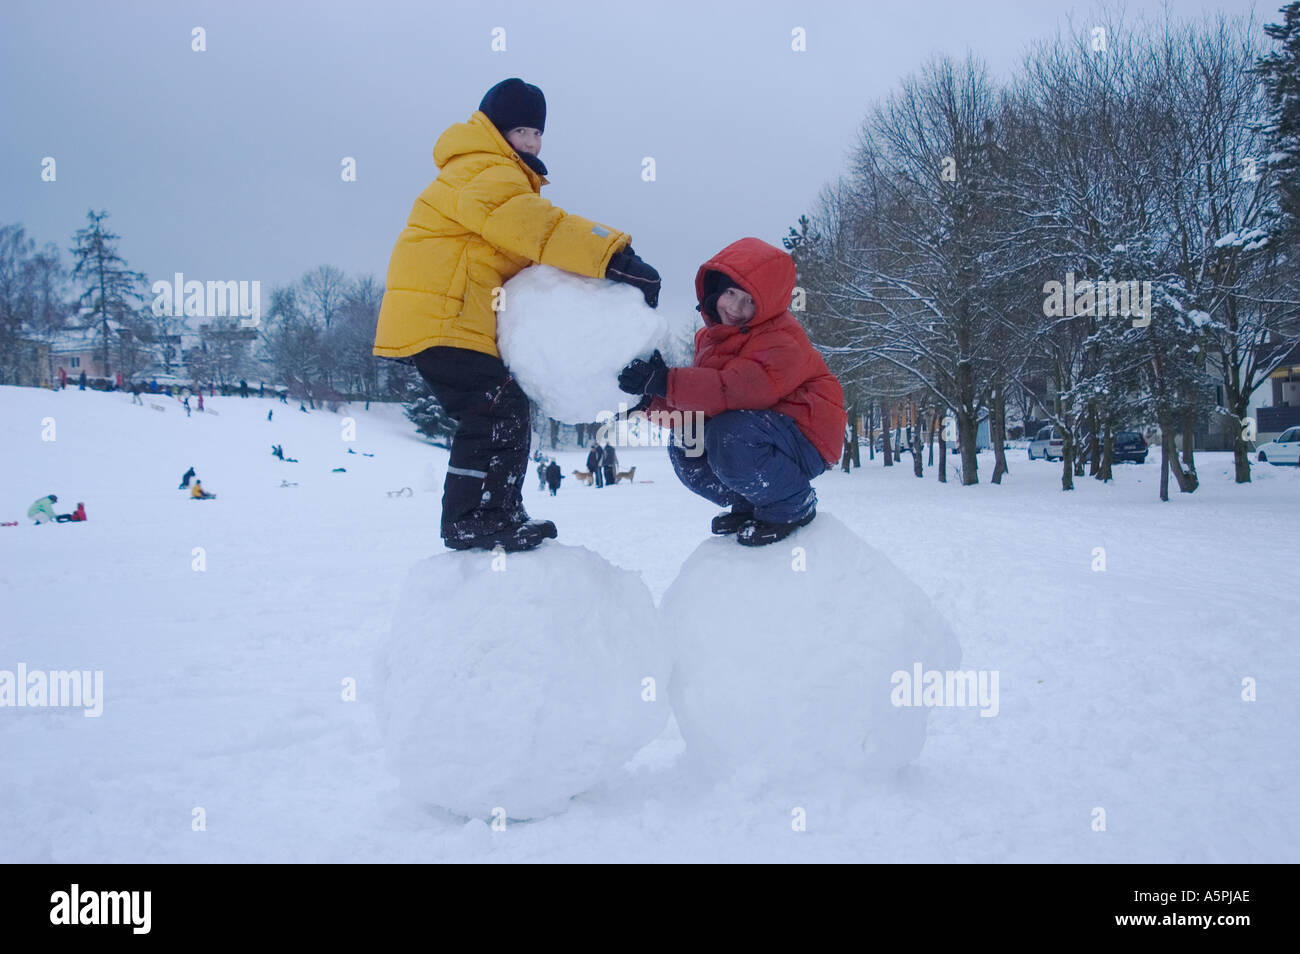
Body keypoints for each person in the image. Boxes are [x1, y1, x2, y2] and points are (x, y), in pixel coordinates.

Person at [373, 77, 661, 551]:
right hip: (444, 318)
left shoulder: (489, 172)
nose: (531, 142)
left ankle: (498, 509)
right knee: (494, 409)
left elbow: (533, 250)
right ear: (493, 127)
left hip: (451, 317)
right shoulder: (483, 171)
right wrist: (615, 256)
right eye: (520, 131)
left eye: (537, 133)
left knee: (501, 407)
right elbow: (538, 228)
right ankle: (473, 517)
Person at [619, 237, 846, 546]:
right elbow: (701, 406)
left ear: (768, 304)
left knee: (728, 433)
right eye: (730, 293)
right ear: (715, 292)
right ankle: (749, 503)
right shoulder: (710, 340)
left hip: (805, 435)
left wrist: (666, 381)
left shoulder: (781, 339)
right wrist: (648, 400)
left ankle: (792, 504)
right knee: (689, 440)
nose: (736, 308)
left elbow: (737, 390)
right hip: (760, 431)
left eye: (750, 300)